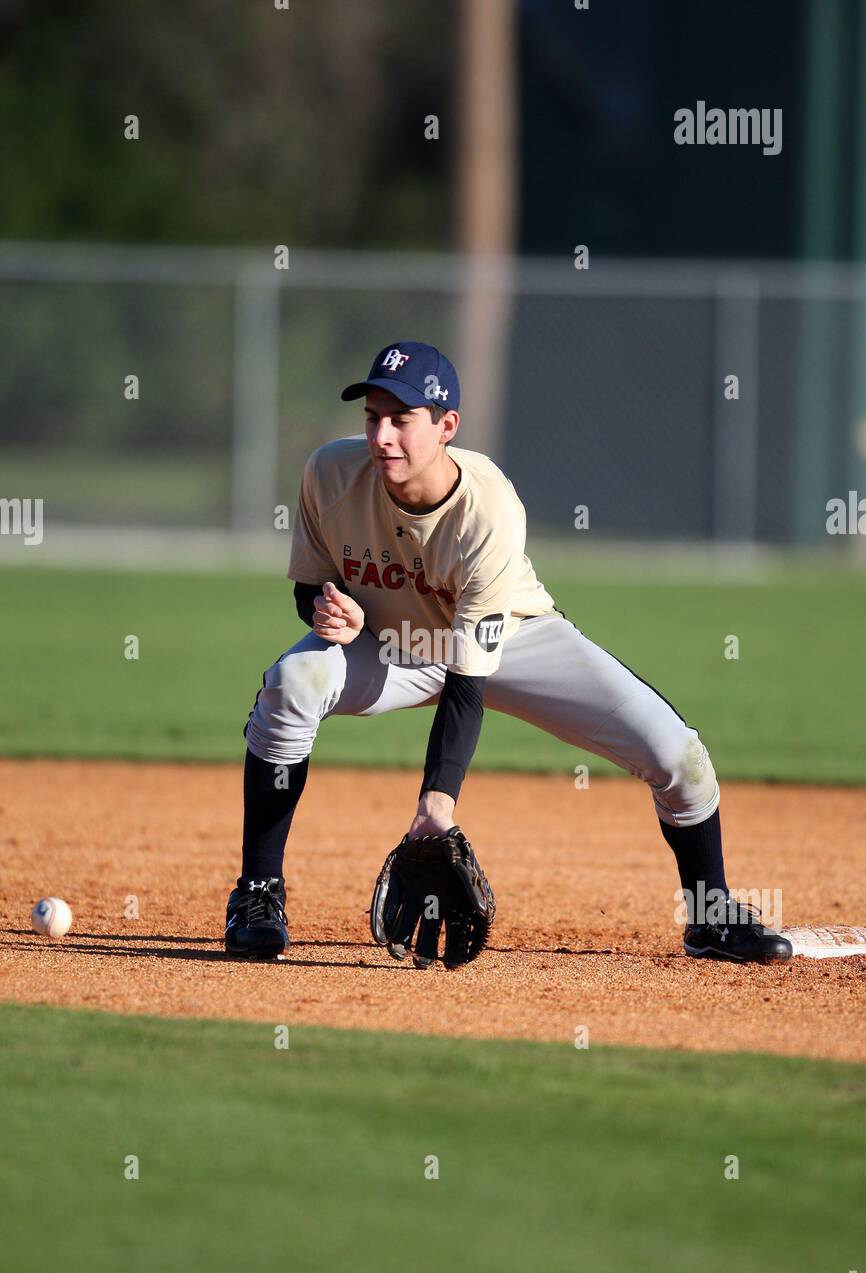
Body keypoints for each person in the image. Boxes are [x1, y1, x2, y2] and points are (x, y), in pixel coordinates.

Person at [224, 341, 792, 966]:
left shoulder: (488, 507)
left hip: (512, 641)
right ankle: (258, 892)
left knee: (677, 754)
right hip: (391, 644)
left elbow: (467, 683)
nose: (382, 435)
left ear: (446, 428)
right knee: (293, 683)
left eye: (402, 419)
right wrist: (327, 608)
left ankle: (710, 917)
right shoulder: (329, 474)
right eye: (372, 416)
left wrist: (435, 809)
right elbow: (311, 582)